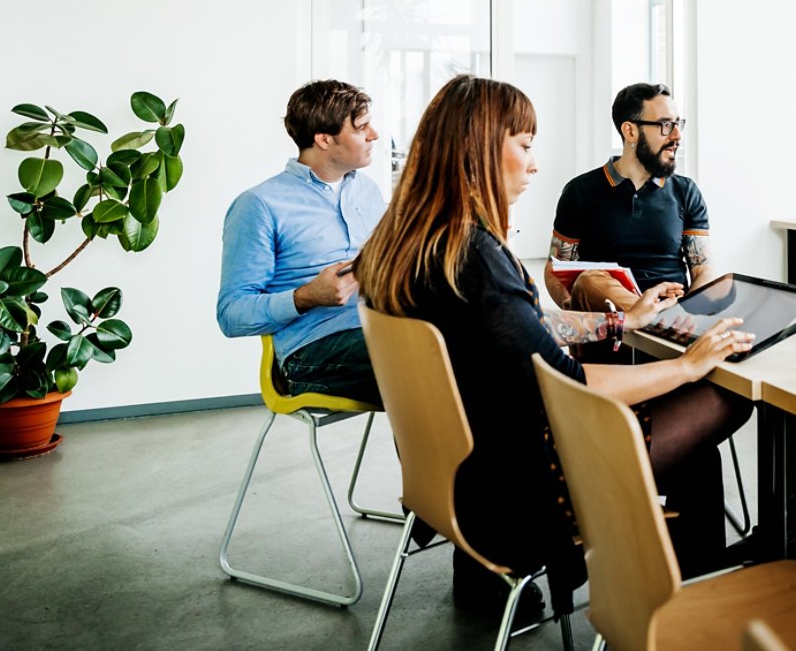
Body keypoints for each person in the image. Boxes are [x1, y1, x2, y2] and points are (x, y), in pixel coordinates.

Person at [353, 74, 753, 613]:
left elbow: (527, 327)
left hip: (458, 469)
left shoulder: (407, 247)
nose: (534, 163)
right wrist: (688, 366)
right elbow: (568, 381)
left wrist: (618, 325)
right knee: (728, 393)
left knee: (677, 388)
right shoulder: (475, 258)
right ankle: (704, 577)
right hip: (524, 488)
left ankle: (687, 558)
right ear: (478, 151)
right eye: (524, 145)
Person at [217, 80, 386, 402]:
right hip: (312, 352)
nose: (374, 135)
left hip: (382, 328)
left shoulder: (367, 191)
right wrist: (307, 296)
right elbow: (231, 314)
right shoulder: (259, 205)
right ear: (324, 138)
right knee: (442, 363)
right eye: (362, 127)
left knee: (482, 341)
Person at [543, 82, 714, 328]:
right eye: (666, 125)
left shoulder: (686, 192)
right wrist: (577, 308)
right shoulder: (579, 191)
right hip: (609, 324)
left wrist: (690, 314)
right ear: (630, 131)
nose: (677, 135)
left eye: (679, 124)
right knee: (589, 281)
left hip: (675, 316)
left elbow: (703, 270)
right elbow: (555, 267)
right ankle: (655, 323)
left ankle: (658, 324)